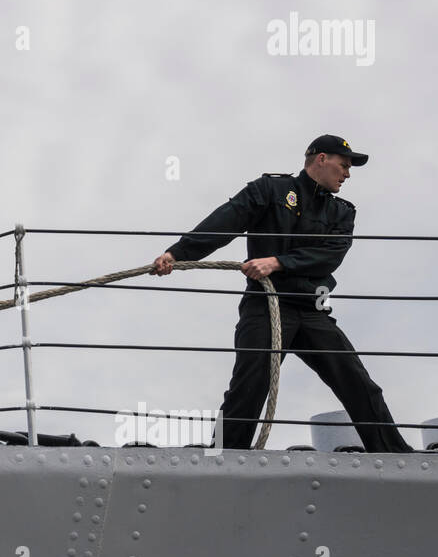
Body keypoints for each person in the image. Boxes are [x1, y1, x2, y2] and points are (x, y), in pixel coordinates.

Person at [151, 135, 414, 453]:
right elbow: (225, 221)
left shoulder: (342, 212)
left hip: (311, 309)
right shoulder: (269, 191)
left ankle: (395, 455)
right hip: (266, 305)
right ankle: (224, 458)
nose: (347, 174)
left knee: (358, 383)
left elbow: (331, 255)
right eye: (343, 166)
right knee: (250, 384)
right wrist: (177, 253)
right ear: (320, 159)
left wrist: (277, 262)